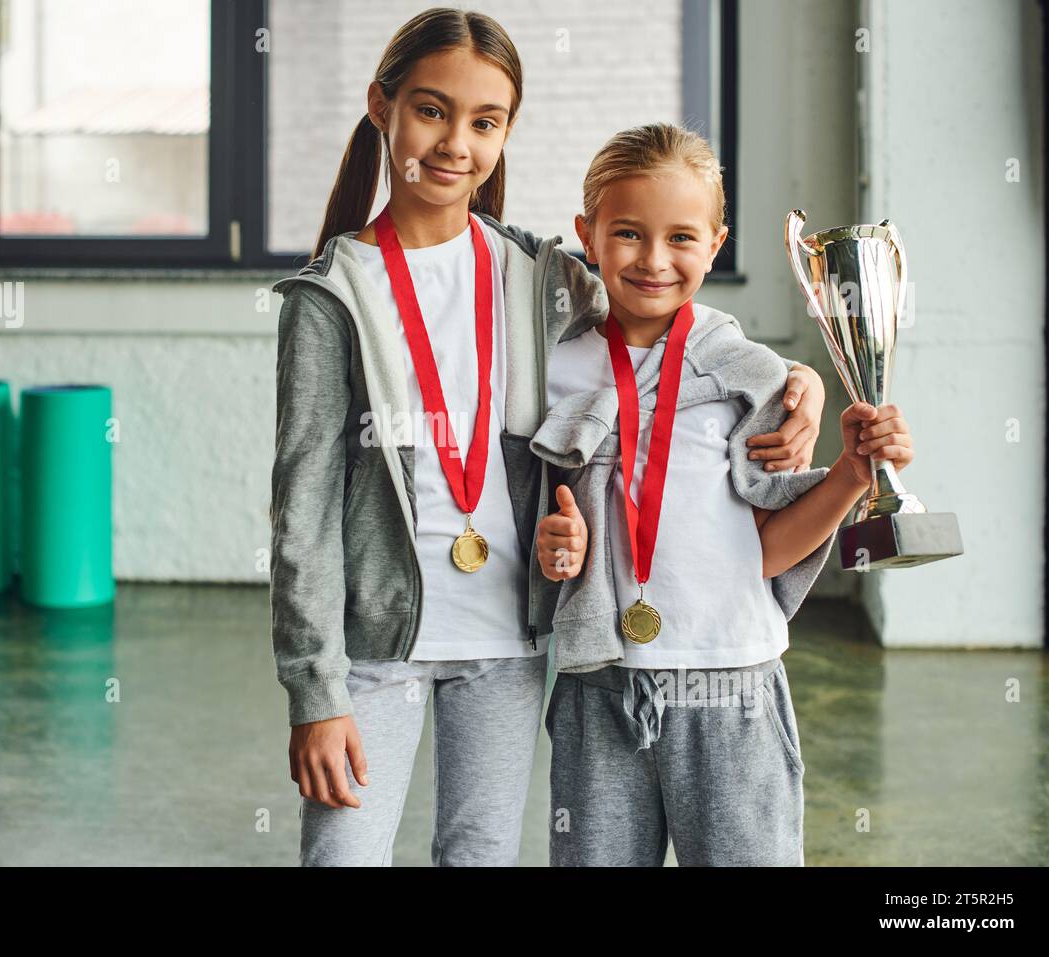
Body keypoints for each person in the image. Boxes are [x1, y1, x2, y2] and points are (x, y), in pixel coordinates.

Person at [270, 9, 825, 866]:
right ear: (381, 107)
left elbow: (668, 320)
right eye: (430, 110)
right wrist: (315, 688)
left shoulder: (541, 275)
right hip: (378, 640)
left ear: (505, 133)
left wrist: (802, 381)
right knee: (342, 852)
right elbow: (301, 508)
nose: (456, 142)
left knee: (481, 852)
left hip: (508, 637)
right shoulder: (331, 296)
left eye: (485, 122)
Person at [533, 123, 915, 866]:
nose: (653, 259)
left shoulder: (750, 374)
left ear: (716, 243)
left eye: (682, 237)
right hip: (598, 688)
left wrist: (852, 474)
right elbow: (536, 514)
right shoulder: (553, 365)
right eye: (629, 233)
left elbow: (765, 550)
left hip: (731, 683)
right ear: (588, 234)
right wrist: (556, 547)